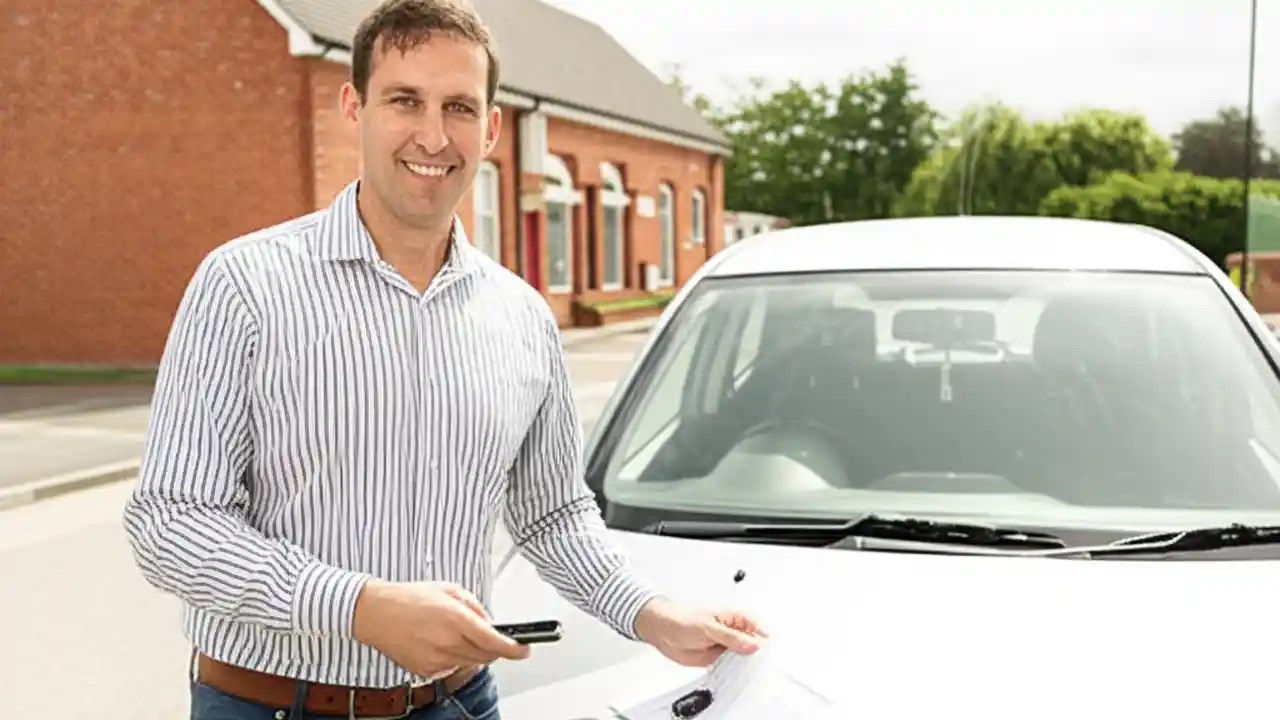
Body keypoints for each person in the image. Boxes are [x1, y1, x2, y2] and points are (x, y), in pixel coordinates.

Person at [121, 0, 764, 718]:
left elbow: (551, 513)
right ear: (353, 107)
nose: (433, 135)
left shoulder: (521, 316)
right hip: (276, 705)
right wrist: (359, 607)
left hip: (459, 703)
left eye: (458, 106)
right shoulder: (244, 286)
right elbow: (171, 522)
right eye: (405, 100)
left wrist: (651, 613)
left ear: (491, 127)